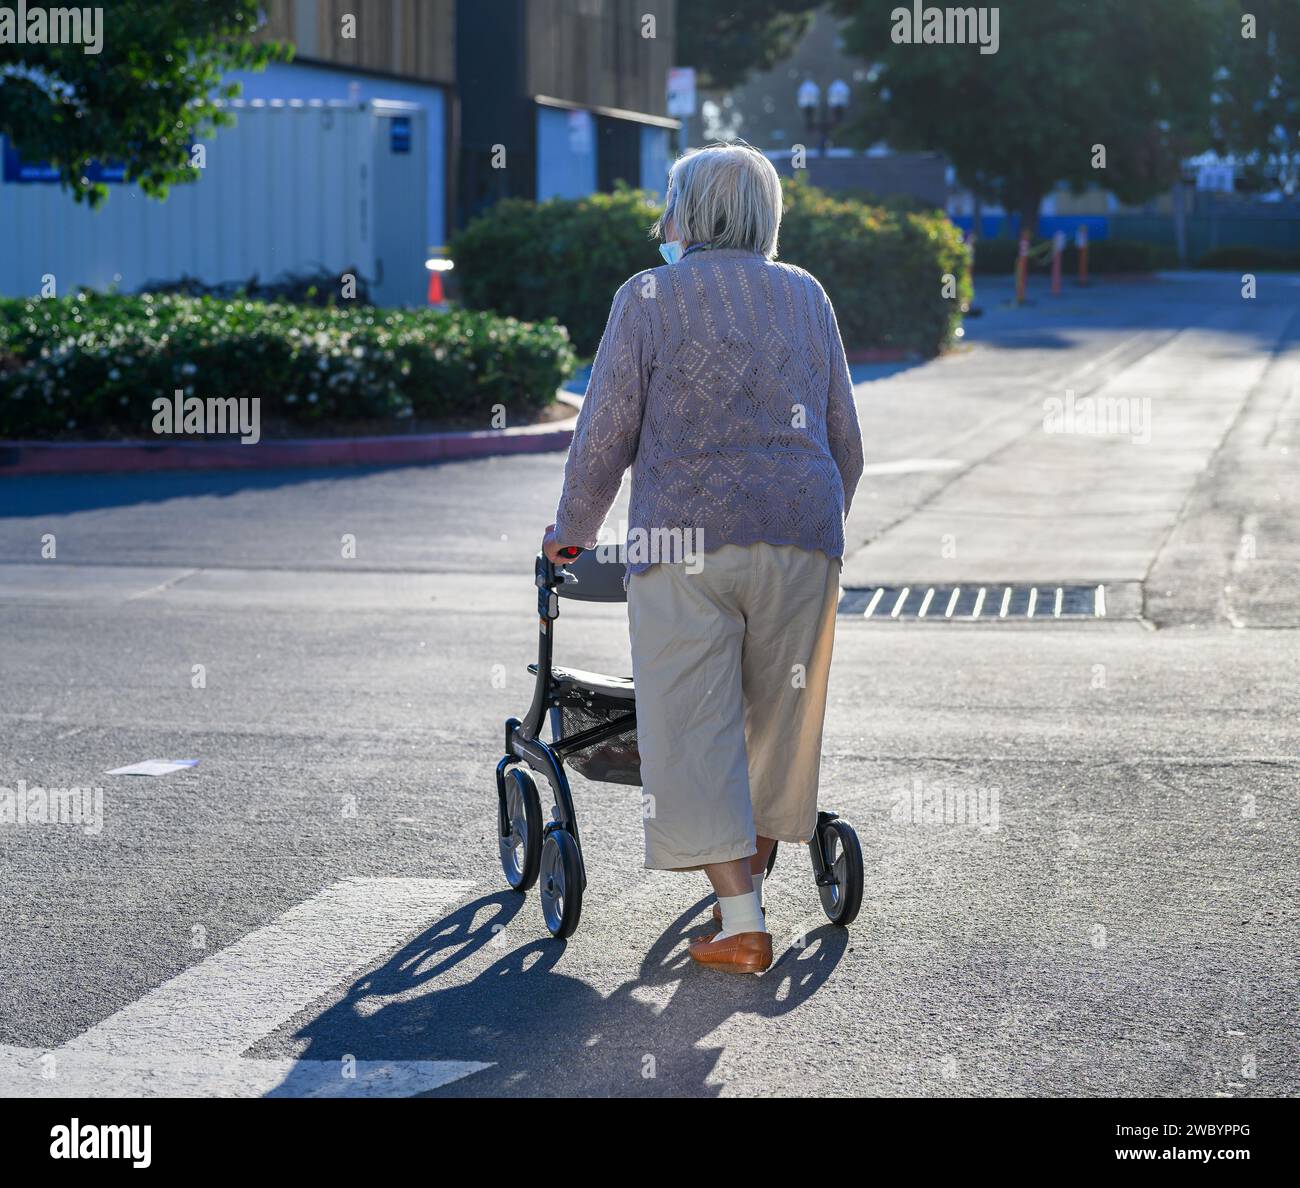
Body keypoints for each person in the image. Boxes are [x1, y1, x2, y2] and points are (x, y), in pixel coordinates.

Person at [543, 142, 864, 975]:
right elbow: (845, 443)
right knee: (777, 720)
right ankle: (746, 884)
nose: (664, 219)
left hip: (682, 541)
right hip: (803, 536)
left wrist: (570, 532)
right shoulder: (807, 295)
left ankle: (742, 921)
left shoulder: (649, 294)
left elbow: (604, 433)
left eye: (671, 203)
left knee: (691, 724)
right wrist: (813, 517)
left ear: (692, 211)